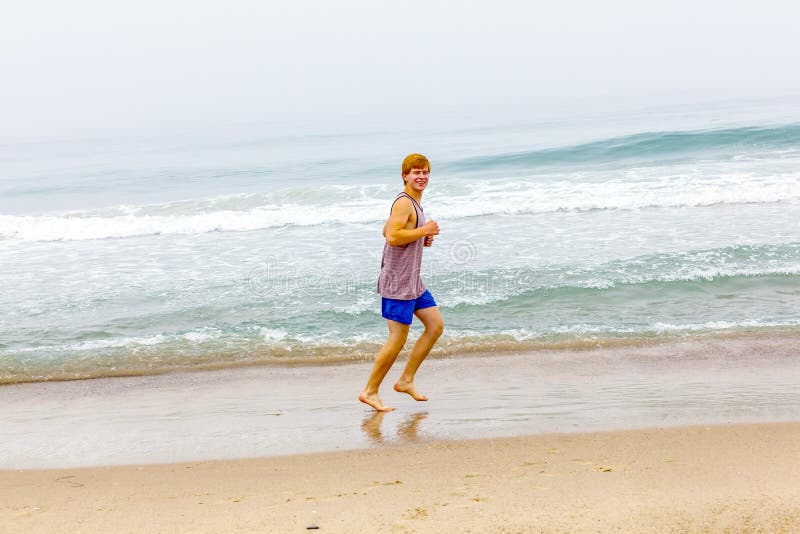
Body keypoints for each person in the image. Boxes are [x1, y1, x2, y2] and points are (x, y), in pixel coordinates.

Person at [359, 153, 444, 412]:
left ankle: (406, 380)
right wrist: (423, 231)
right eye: (416, 172)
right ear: (405, 176)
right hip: (398, 282)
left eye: (425, 172)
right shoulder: (404, 203)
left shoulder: (414, 203)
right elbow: (393, 237)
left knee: (435, 325)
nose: (422, 177)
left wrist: (420, 237)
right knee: (397, 338)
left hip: (412, 281)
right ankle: (370, 391)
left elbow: (387, 231)